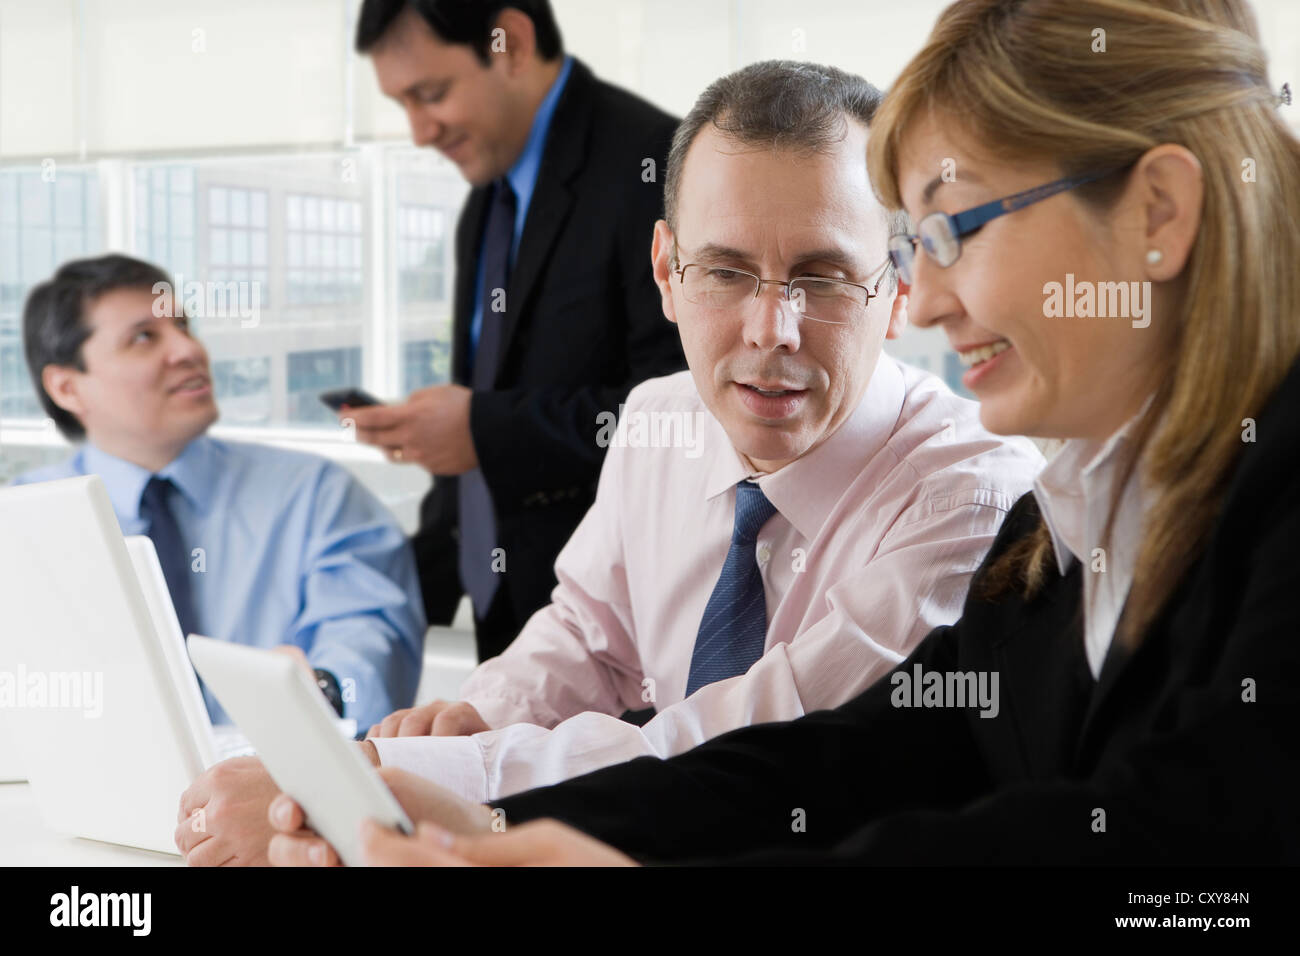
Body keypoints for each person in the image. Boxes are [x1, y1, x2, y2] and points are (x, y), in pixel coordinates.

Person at [266, 0, 1300, 866]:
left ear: (1157, 212)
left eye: (960, 228)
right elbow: (856, 757)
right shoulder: (1065, 527)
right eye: (922, 241)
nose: (928, 299)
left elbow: (1175, 850)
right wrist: (516, 824)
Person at [175, 60, 1042, 865]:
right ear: (666, 271)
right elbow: (590, 633)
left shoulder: (972, 497)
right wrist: (483, 712)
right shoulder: (660, 418)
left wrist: (399, 783)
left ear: (896, 287)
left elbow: (749, 747)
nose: (768, 332)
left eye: (820, 278)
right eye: (725, 271)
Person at [343, 0, 686, 661]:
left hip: (620, 639)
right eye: (401, 104)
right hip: (510, 628)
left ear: (513, 44)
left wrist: (482, 429)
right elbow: (484, 412)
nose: (418, 130)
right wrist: (391, 607)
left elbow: (686, 410)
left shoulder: (656, 165)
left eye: (431, 94)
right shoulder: (487, 201)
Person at [11, 254, 426, 733]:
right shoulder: (23, 520)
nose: (188, 349)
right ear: (67, 387)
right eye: (144, 337)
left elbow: (369, 640)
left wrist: (321, 690)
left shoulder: (315, 495)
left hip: (275, 789)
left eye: (183, 326)